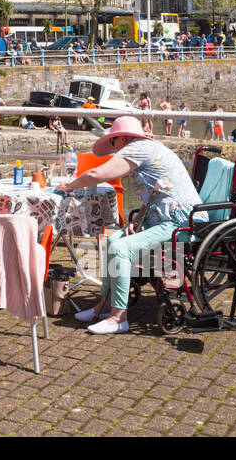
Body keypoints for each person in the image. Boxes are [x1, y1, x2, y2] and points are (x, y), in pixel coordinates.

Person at [57, 116, 203, 335]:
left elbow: (96, 174)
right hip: (164, 216)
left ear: (122, 139)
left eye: (113, 143)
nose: (114, 149)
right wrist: (139, 218)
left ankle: (118, 318)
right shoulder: (148, 148)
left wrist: (69, 185)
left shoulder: (137, 148)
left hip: (180, 222)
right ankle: (104, 306)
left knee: (120, 248)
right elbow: (157, 192)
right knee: (112, 241)